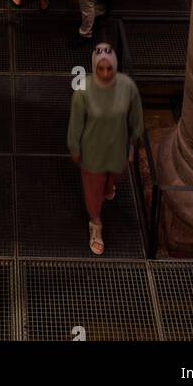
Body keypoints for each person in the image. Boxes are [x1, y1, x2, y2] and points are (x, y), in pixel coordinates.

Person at [67, 43, 144, 255]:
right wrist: (74, 147)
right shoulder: (83, 90)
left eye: (109, 69)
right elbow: (76, 124)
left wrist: (132, 145)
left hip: (117, 148)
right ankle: (96, 223)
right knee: (93, 190)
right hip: (93, 152)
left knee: (111, 181)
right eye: (101, 69)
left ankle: (109, 187)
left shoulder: (127, 87)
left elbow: (135, 118)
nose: (105, 73)